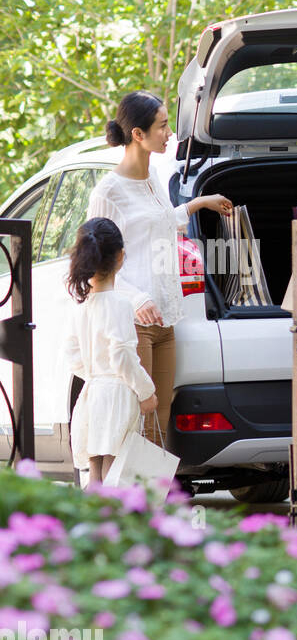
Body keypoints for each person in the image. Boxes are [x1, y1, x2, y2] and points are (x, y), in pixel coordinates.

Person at [87, 91, 233, 448]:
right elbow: (93, 267)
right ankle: (123, 502)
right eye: (163, 126)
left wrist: (200, 203)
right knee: (136, 421)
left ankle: (150, 501)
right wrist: (137, 299)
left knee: (159, 421)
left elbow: (164, 223)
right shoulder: (109, 191)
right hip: (134, 320)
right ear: (138, 134)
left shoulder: (152, 177)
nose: (170, 133)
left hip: (166, 320)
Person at [63, 218, 159, 486]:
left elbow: (72, 354)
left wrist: (96, 373)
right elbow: (122, 356)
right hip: (117, 395)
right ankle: (113, 525)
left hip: (91, 394)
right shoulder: (120, 304)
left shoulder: (80, 307)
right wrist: (146, 391)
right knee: (116, 474)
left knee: (94, 477)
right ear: (120, 257)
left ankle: (93, 525)